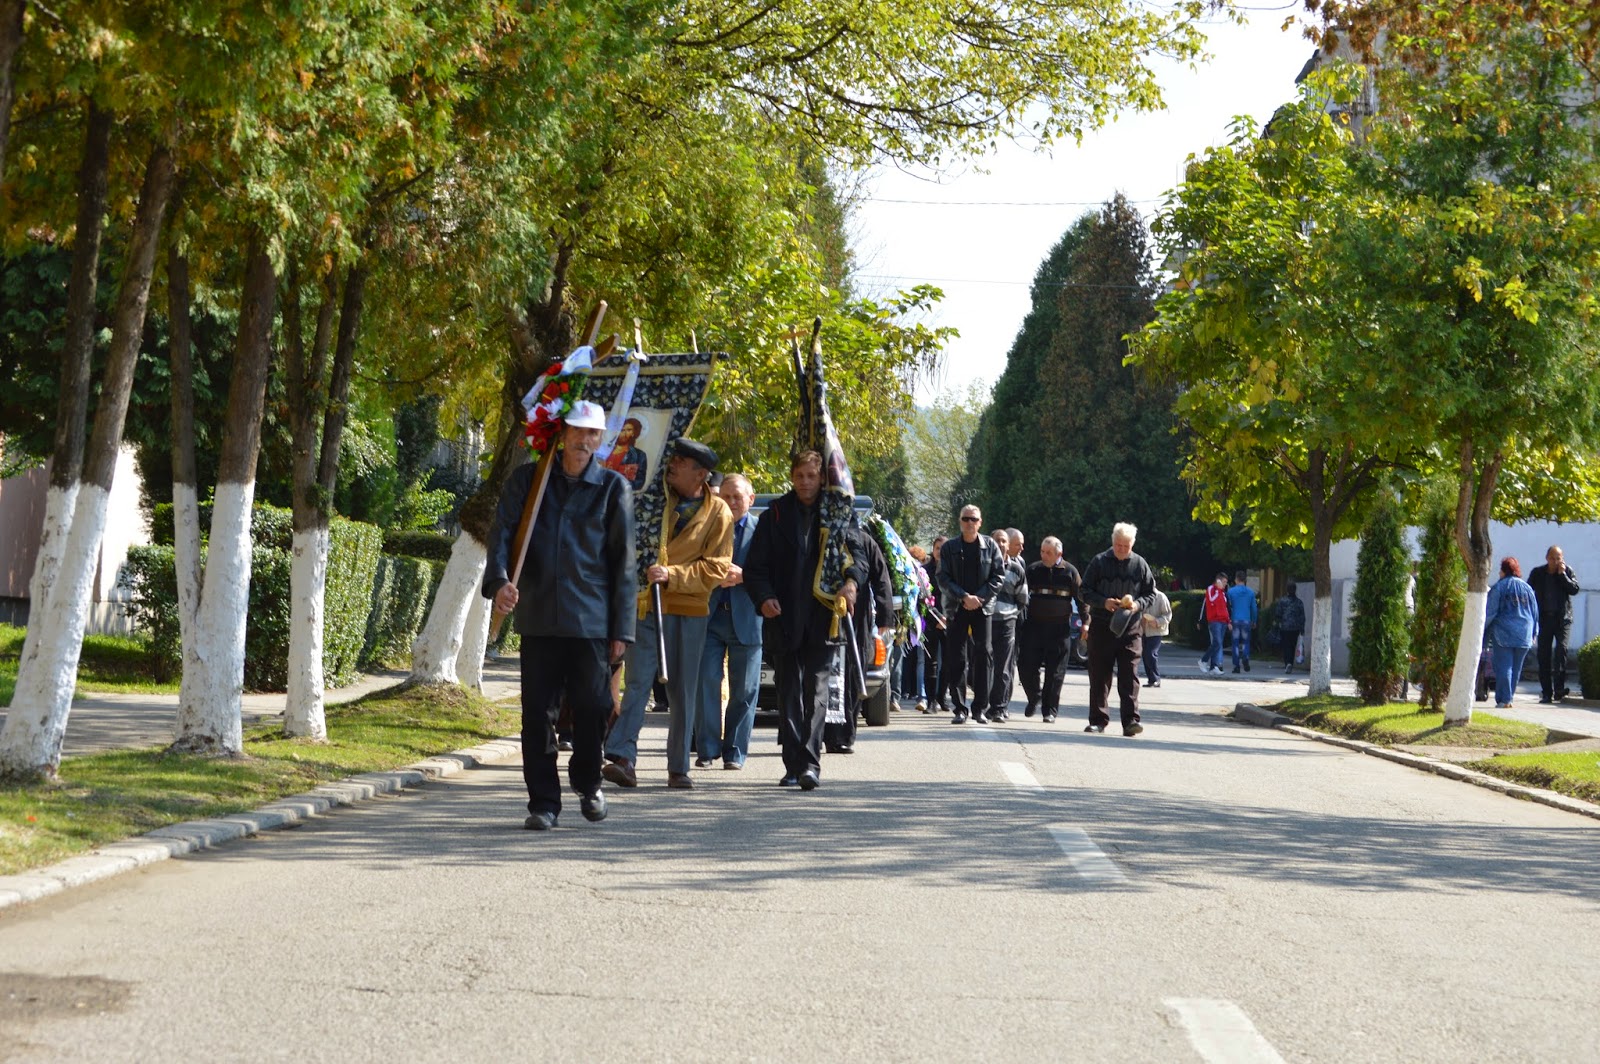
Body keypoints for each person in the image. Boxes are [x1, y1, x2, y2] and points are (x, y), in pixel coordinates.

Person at [482, 400, 635, 830]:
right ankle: (543, 803)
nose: (584, 441)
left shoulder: (611, 488)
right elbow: (501, 535)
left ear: (601, 440)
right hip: (539, 616)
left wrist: (622, 628)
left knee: (593, 707)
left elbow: (624, 562)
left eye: (593, 434)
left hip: (592, 619)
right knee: (538, 715)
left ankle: (588, 780)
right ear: (561, 434)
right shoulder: (528, 482)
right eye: (577, 432)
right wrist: (499, 583)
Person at [604, 438, 732, 791]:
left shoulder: (718, 512)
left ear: (701, 473)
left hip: (689, 611)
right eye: (672, 458)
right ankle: (623, 757)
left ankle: (678, 767)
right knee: (638, 683)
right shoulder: (653, 501)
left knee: (682, 691)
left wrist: (672, 575)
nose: (672, 465)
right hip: (647, 606)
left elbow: (717, 568)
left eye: (681, 461)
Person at [743, 450, 866, 790]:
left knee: (817, 690)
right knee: (788, 692)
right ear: (792, 477)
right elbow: (756, 568)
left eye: (812, 476)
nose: (806, 483)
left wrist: (851, 584)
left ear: (822, 478)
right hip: (783, 615)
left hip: (823, 616)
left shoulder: (839, 513)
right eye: (800, 476)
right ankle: (792, 763)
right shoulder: (775, 514)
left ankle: (810, 764)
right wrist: (764, 597)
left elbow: (859, 557)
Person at [695, 474, 763, 769]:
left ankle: (735, 752)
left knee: (744, 689)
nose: (731, 502)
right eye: (725, 496)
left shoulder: (764, 532)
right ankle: (707, 750)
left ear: (751, 499)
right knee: (706, 683)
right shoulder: (706, 527)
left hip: (747, 618)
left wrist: (744, 576)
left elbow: (775, 572)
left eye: (737, 496)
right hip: (709, 617)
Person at [1079, 522, 1157, 737]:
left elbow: (1151, 594)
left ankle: (1131, 721)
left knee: (1129, 675)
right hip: (1102, 626)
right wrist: (1103, 602)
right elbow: (1083, 591)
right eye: (1118, 545)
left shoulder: (1140, 564)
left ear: (1133, 544)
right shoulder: (1099, 562)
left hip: (1130, 629)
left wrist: (1137, 605)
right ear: (1112, 542)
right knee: (1099, 676)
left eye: (1126, 545)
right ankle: (1097, 720)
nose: (1122, 549)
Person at [825, 524, 894, 753]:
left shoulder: (863, 541)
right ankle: (817, 734)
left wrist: (885, 615)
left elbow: (881, 578)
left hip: (855, 620)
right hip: (820, 619)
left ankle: (843, 735)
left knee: (853, 676)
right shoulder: (816, 534)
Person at [939, 505, 1007, 724]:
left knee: (983, 655)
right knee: (956, 657)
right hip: (957, 608)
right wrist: (963, 597)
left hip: (983, 607)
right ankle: (959, 708)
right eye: (965, 519)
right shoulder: (949, 548)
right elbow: (943, 578)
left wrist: (979, 598)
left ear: (980, 522)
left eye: (973, 519)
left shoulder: (991, 546)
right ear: (960, 521)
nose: (969, 523)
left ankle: (979, 708)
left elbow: (998, 576)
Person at [1018, 536, 1080, 722]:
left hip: (1059, 629)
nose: (1044, 556)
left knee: (1055, 672)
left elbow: (1081, 599)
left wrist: (1086, 622)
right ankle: (1034, 696)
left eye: (1049, 553)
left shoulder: (1070, 572)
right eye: (1042, 552)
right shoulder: (1033, 569)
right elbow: (1020, 593)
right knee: (1026, 665)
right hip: (1034, 627)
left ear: (1059, 554)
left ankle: (1049, 711)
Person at [984, 529, 1030, 722]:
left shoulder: (1017, 569)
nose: (1001, 544)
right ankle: (981, 704)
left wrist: (1010, 613)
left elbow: (1023, 598)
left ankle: (998, 707)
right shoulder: (983, 566)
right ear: (991, 543)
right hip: (984, 621)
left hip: (1006, 622)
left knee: (1003, 666)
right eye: (997, 540)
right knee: (982, 664)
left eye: (1004, 541)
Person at [1484, 556, 1539, 709]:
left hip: (1504, 633)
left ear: (1503, 571)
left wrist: (1481, 631)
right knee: (1516, 668)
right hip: (1524, 633)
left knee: (1504, 666)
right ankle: (1509, 698)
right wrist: (1534, 633)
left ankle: (1504, 699)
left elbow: (1490, 613)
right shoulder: (1527, 588)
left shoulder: (1499, 587)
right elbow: (1535, 613)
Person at [1528, 546, 1581, 703]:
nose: (1556, 561)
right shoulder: (1538, 573)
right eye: (1553, 558)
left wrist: (1562, 575)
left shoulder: (1567, 571)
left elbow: (1574, 589)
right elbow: (1529, 591)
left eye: (1558, 558)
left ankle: (1559, 689)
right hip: (1544, 619)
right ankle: (1546, 692)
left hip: (1563, 619)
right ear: (1547, 558)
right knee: (1543, 655)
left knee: (1561, 652)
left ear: (1562, 559)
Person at [922, 535, 950, 713]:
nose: (940, 551)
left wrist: (946, 617)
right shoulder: (924, 570)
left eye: (943, 548)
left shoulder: (953, 569)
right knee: (930, 661)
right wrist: (937, 618)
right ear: (933, 550)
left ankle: (942, 695)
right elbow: (923, 597)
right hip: (931, 620)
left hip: (949, 620)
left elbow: (955, 595)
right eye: (937, 548)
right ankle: (931, 700)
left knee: (948, 662)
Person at [601, 416, 650, 492]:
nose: (624, 433)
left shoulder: (639, 455)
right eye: (622, 430)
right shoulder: (604, 449)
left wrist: (619, 486)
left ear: (633, 433)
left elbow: (639, 482)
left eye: (629, 430)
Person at [1226, 571, 1258, 673]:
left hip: (1234, 619)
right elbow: (1254, 608)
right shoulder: (1250, 592)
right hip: (1246, 620)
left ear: (1236, 579)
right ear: (1245, 580)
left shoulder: (1230, 592)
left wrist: (1228, 620)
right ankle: (1245, 657)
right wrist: (1254, 620)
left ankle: (1236, 666)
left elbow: (1227, 607)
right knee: (1246, 642)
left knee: (1235, 643)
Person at [1200, 572, 1231, 675]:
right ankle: (1203, 660)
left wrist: (1228, 621)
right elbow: (1211, 600)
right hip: (1215, 621)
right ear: (1218, 581)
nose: (1225, 584)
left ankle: (1214, 666)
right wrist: (1217, 589)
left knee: (1218, 644)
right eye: (1224, 582)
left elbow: (1225, 608)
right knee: (1216, 642)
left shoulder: (1223, 593)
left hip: (1223, 621)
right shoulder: (1212, 589)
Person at [1140, 586, 1172, 688]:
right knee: (1145, 656)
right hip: (1143, 631)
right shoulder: (1141, 596)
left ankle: (1156, 679)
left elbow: (1168, 615)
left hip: (1156, 631)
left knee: (1150, 654)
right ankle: (1151, 679)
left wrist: (1157, 622)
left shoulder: (1161, 597)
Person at [1273, 582, 1306, 673]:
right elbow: (1302, 616)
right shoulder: (1299, 602)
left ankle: (1287, 663)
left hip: (1285, 627)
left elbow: (1278, 613)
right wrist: (1302, 628)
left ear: (1287, 590)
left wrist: (1278, 622)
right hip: (1295, 628)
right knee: (1292, 645)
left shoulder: (1283, 601)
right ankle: (1290, 662)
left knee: (1286, 646)